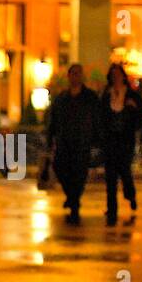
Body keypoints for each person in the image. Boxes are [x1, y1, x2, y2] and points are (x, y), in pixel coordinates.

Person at [46, 63, 99, 225]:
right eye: (73, 74)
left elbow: (97, 119)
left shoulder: (90, 97)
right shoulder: (62, 99)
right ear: (69, 76)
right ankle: (71, 197)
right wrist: (50, 138)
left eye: (78, 74)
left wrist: (96, 140)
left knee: (79, 173)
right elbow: (53, 120)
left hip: (82, 142)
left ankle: (74, 202)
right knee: (60, 168)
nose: (75, 77)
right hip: (64, 141)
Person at [98, 62, 142, 226]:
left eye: (118, 74)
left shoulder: (131, 94)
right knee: (110, 174)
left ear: (123, 76)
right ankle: (112, 207)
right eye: (113, 75)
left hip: (126, 139)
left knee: (125, 170)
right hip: (110, 139)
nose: (116, 77)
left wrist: (134, 107)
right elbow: (101, 115)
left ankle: (130, 195)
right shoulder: (106, 94)